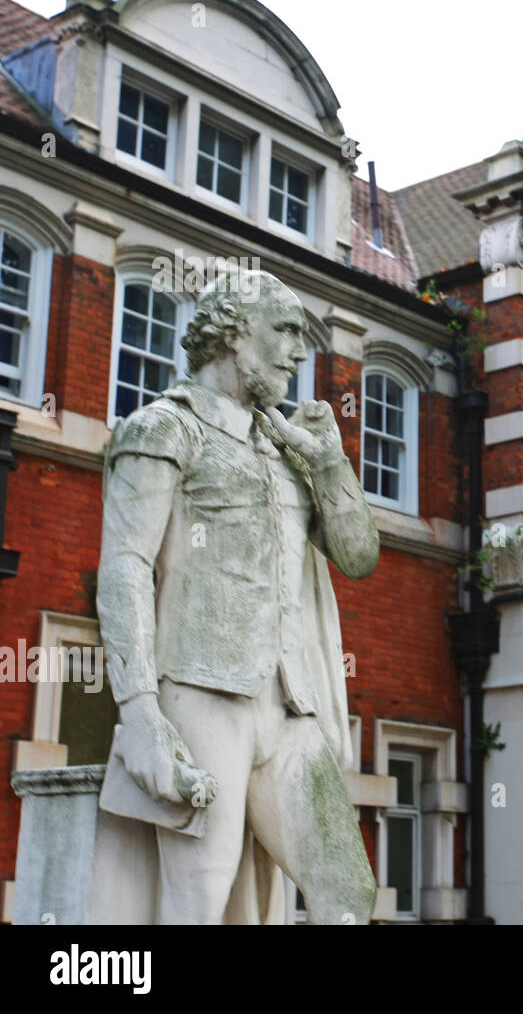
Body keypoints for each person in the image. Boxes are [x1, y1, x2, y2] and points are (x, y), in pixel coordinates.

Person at [96, 270, 379, 924]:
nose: (298, 351)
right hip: (201, 691)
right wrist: (140, 712)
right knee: (202, 900)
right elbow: (125, 568)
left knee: (347, 892)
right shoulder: (164, 428)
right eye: (283, 330)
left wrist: (331, 462)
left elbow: (359, 556)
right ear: (231, 332)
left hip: (288, 703)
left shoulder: (289, 450)